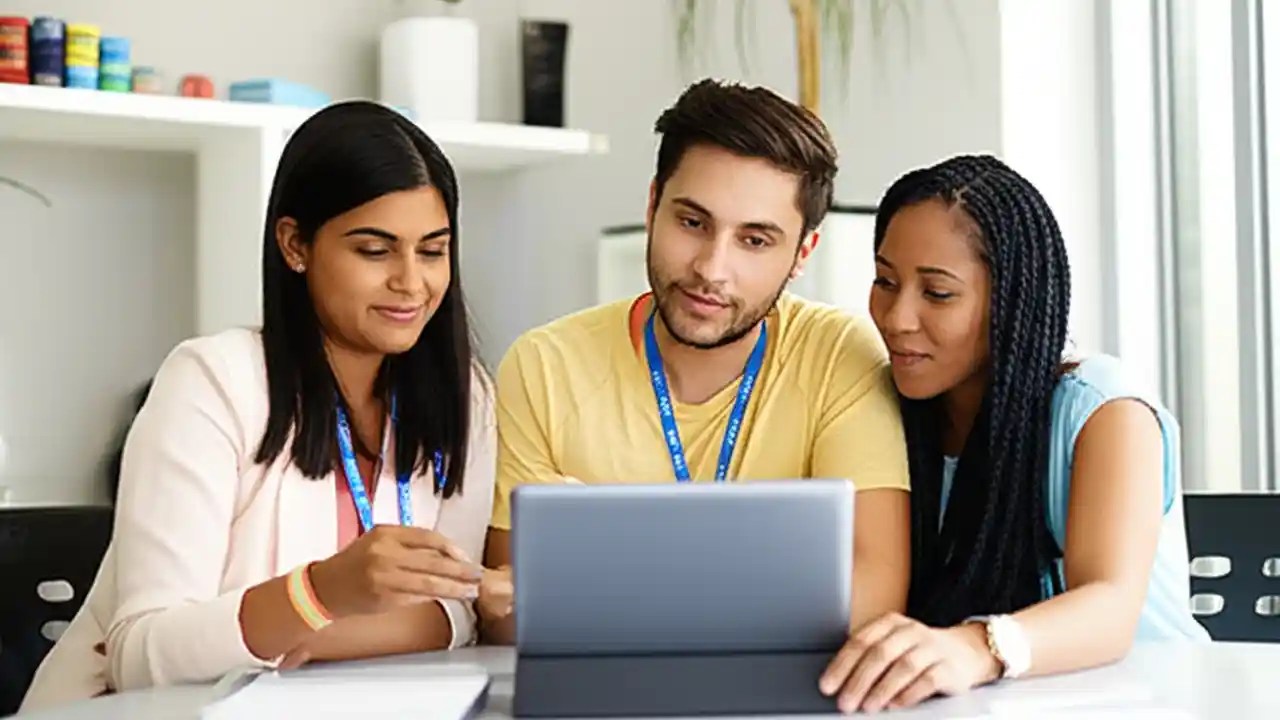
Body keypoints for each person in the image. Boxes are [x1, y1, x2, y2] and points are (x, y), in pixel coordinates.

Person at [21, 100, 496, 710]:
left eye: (432, 251)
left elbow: (456, 615)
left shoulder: (465, 397)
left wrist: (305, 634)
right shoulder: (212, 381)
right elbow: (143, 657)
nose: (412, 282)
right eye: (375, 251)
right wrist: (320, 594)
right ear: (295, 245)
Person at [476, 79, 912, 643]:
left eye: (754, 241)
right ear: (653, 204)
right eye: (692, 223)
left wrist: (606, 572)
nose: (712, 268)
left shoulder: (839, 356)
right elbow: (512, 616)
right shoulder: (545, 365)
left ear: (802, 253)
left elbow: (872, 599)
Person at [818, 155, 1210, 714]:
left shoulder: (1103, 409)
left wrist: (974, 647)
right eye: (885, 281)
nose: (897, 317)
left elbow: (1110, 606)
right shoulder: (881, 409)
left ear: (1011, 301)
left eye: (938, 293)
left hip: (1158, 702)